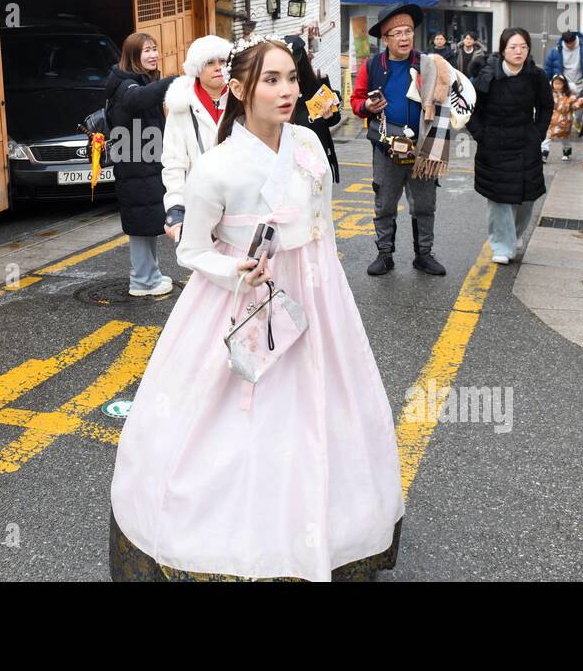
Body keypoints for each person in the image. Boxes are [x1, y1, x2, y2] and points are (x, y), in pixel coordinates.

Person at [108, 33, 404, 581]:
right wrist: (233, 269)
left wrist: (329, 287)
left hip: (315, 295)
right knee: (231, 420)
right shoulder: (216, 167)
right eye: (271, 79)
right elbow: (193, 250)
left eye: (291, 78)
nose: (287, 90)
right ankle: (232, 538)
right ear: (241, 88)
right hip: (240, 302)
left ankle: (328, 529)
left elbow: (322, 228)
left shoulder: (310, 145)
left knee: (324, 408)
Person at [349, 3, 450, 277]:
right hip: (385, 145)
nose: (405, 38)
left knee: (425, 204)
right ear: (385, 39)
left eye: (408, 31)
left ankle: (424, 254)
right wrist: (366, 108)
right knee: (385, 203)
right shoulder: (372, 66)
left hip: (422, 145)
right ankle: (384, 254)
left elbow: (447, 94)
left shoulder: (428, 64)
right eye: (397, 33)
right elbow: (356, 99)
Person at [468, 28, 553, 265]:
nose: (518, 51)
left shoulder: (536, 76)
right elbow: (471, 108)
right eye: (513, 47)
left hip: (526, 142)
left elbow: (547, 106)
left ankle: (514, 235)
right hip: (494, 144)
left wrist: (538, 133)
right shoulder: (488, 75)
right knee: (500, 199)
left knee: (527, 198)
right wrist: (480, 135)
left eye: (523, 47)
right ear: (503, 49)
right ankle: (502, 246)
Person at [104, 33, 179, 296]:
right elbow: (140, 100)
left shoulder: (133, 81)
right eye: (146, 50)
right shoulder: (127, 87)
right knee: (140, 223)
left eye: (155, 49)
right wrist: (173, 81)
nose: (153, 54)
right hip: (135, 165)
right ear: (133, 56)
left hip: (141, 164)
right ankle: (142, 281)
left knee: (147, 221)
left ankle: (150, 275)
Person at [161, 35, 231, 243]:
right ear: (197, 69)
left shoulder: (242, 99)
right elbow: (173, 160)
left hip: (241, 203)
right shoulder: (181, 106)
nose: (218, 67)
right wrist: (175, 205)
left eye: (222, 61)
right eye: (210, 63)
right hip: (200, 203)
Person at [284, 33, 342, 183]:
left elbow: (335, 117)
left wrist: (330, 116)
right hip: (288, 152)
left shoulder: (318, 80)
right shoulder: (280, 87)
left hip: (317, 151)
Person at [543, 74, 583, 162]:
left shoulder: (569, 97)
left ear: (564, 85)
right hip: (552, 121)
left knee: (565, 138)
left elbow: (574, 105)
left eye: (559, 84)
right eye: (555, 84)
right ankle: (544, 154)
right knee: (547, 137)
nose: (557, 86)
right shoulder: (549, 95)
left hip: (564, 121)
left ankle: (567, 152)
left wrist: (578, 104)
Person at [544, 29, 583, 98]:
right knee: (564, 107)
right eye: (567, 44)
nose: (569, 45)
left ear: (575, 39)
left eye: (572, 43)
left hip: (581, 86)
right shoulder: (554, 52)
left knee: (580, 107)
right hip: (563, 88)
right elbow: (548, 70)